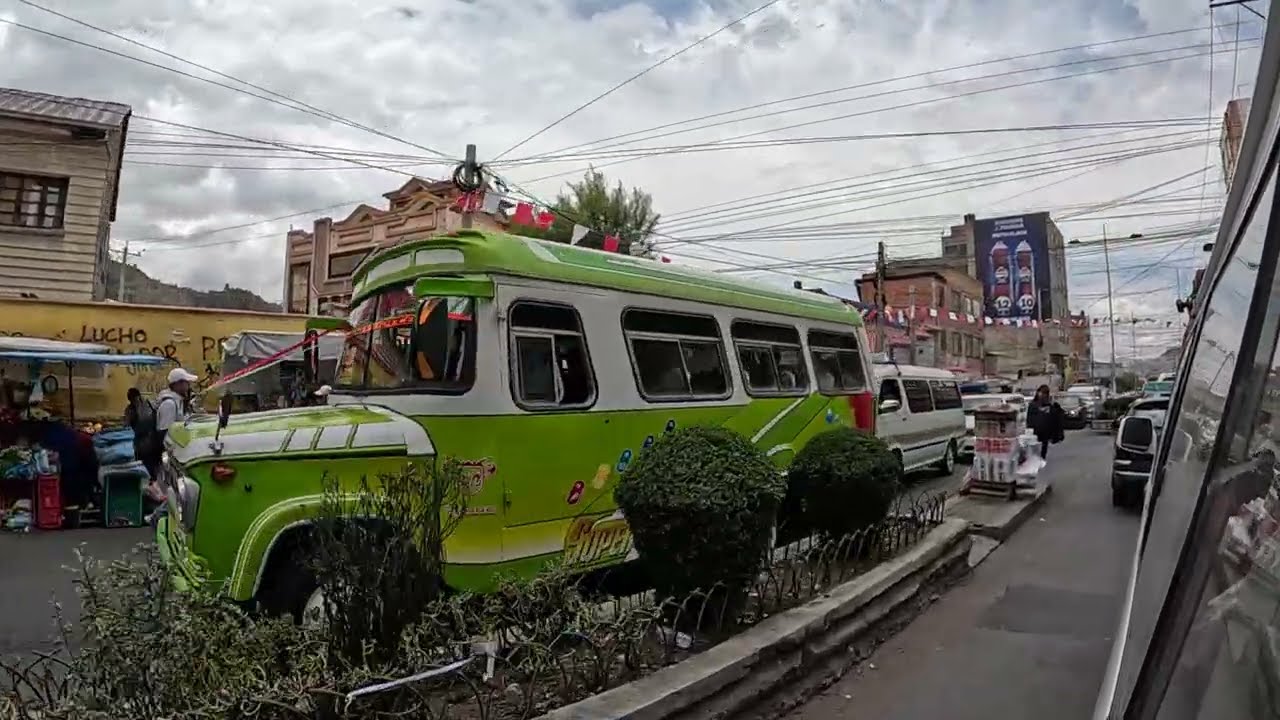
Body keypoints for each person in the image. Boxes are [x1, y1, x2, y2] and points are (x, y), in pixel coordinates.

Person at [1028, 384, 1065, 459]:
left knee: (1043, 448)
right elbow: (1030, 417)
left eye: (1044, 393)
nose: (1042, 395)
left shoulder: (1050, 406)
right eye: (1041, 392)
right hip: (1035, 431)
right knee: (1034, 448)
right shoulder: (1033, 405)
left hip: (1045, 431)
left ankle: (1041, 458)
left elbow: (1056, 419)